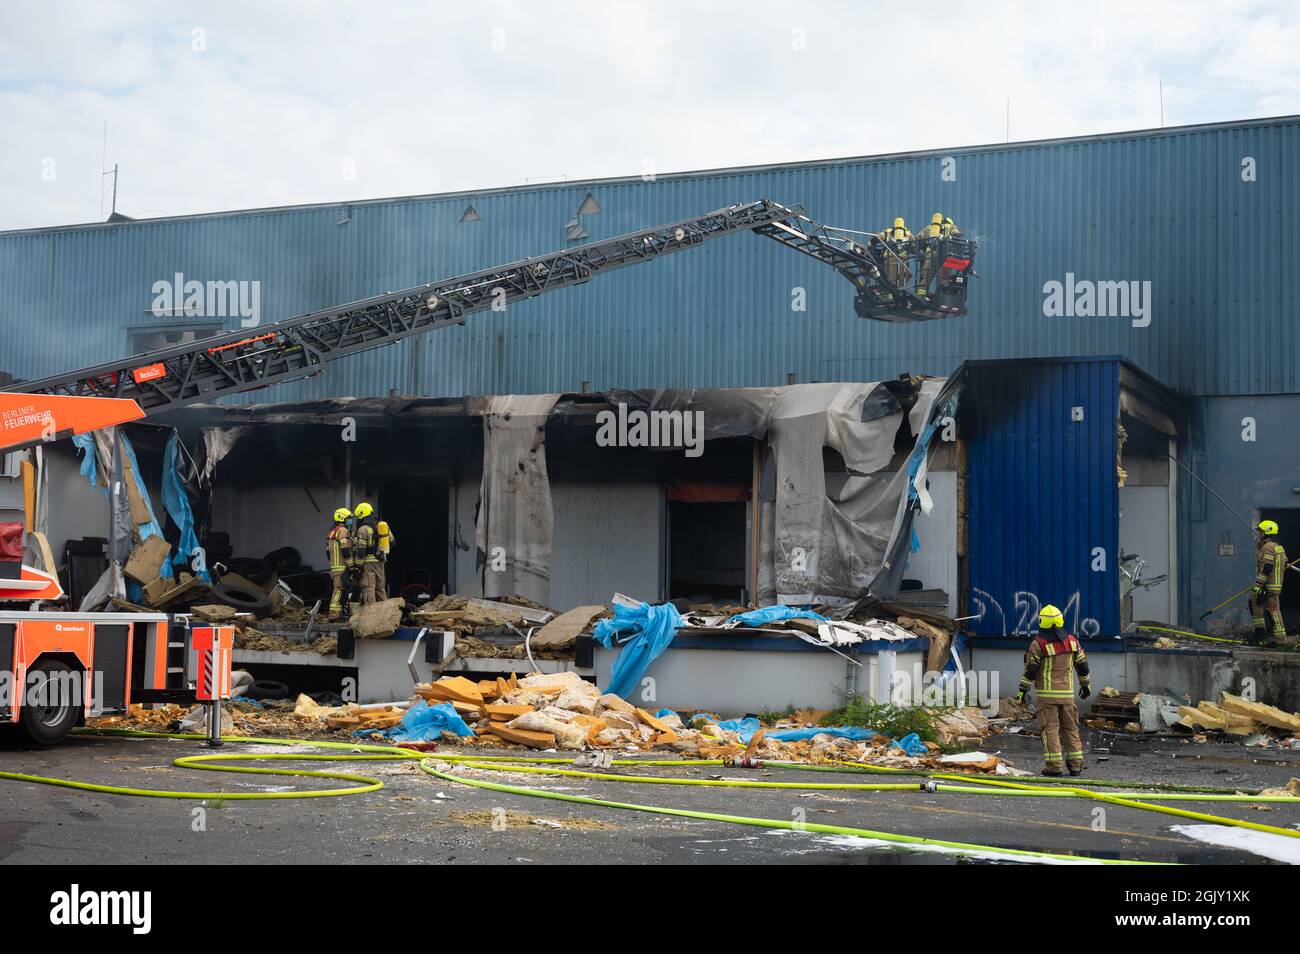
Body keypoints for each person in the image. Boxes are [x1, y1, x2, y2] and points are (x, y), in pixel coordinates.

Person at [1014, 604, 1091, 776]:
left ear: (1042, 622)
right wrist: (1085, 685)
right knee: (1070, 729)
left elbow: (1031, 670)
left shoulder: (1038, 644)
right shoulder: (1072, 641)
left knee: (1050, 730)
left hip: (1047, 697)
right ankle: (1076, 765)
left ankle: (1054, 767)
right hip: (1068, 696)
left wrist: (1022, 691)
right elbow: (1083, 666)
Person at [1250, 519, 1288, 645]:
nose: (1259, 535)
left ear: (1267, 532)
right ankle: (1260, 634)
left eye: (1261, 532)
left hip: (1268, 586)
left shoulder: (1267, 548)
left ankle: (1279, 640)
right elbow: (1285, 562)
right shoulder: (1278, 547)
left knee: (1272, 610)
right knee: (1257, 604)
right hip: (1274, 586)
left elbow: (1267, 568)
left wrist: (1258, 585)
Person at [326, 506, 354, 620]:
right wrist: (352, 565)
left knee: (339, 589)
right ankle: (334, 616)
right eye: (348, 518)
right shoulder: (342, 530)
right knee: (339, 590)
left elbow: (327, 551)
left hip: (336, 566)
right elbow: (345, 549)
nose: (350, 520)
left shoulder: (333, 531)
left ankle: (338, 614)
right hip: (342, 566)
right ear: (342, 518)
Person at [353, 501, 382, 605]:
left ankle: (371, 614)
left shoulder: (363, 529)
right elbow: (392, 542)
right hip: (380, 562)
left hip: (368, 563)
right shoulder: (382, 526)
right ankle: (386, 613)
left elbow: (361, 551)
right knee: (380, 588)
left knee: (369, 587)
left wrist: (357, 567)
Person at [875, 216, 913, 289]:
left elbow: (877, 238)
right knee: (903, 276)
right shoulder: (908, 233)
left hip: (890, 258)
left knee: (891, 276)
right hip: (902, 259)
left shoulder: (888, 231)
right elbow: (915, 243)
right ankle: (900, 290)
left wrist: (870, 246)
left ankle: (891, 293)